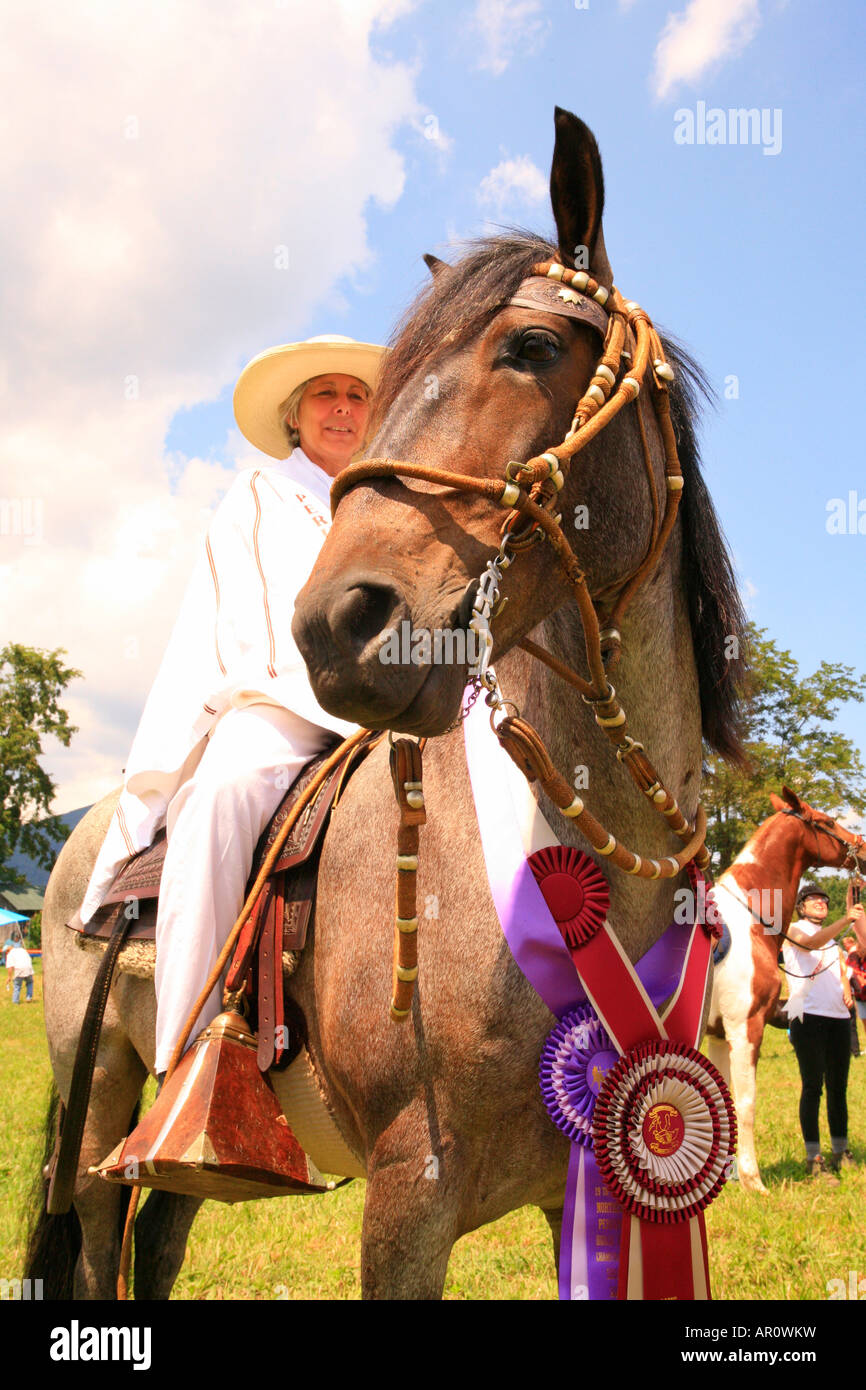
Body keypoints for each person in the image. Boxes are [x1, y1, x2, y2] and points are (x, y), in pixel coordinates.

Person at [79, 334, 385, 1079]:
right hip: (286, 698)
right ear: (294, 416)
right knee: (221, 794)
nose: (343, 408)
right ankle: (192, 1057)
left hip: (395, 707)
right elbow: (251, 616)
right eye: (326, 395)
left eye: (357, 396)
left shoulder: (389, 496)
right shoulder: (260, 493)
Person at [782, 882, 865, 1180]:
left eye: (824, 899)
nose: (820, 902)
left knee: (838, 1088)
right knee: (813, 1086)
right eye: (813, 898)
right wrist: (846, 920)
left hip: (838, 1019)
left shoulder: (832, 943)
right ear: (802, 906)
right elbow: (811, 944)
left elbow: (847, 961)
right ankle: (813, 1158)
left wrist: (845, 990)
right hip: (808, 1017)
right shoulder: (792, 930)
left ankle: (841, 1151)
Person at [6, 932, 35, 1004]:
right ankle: (29, 997)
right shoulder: (23, 950)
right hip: (28, 968)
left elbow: (10, 967)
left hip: (19, 969)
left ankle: (15, 1001)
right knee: (30, 982)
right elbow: (29, 960)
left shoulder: (10, 953)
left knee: (17, 985)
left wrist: (9, 977)